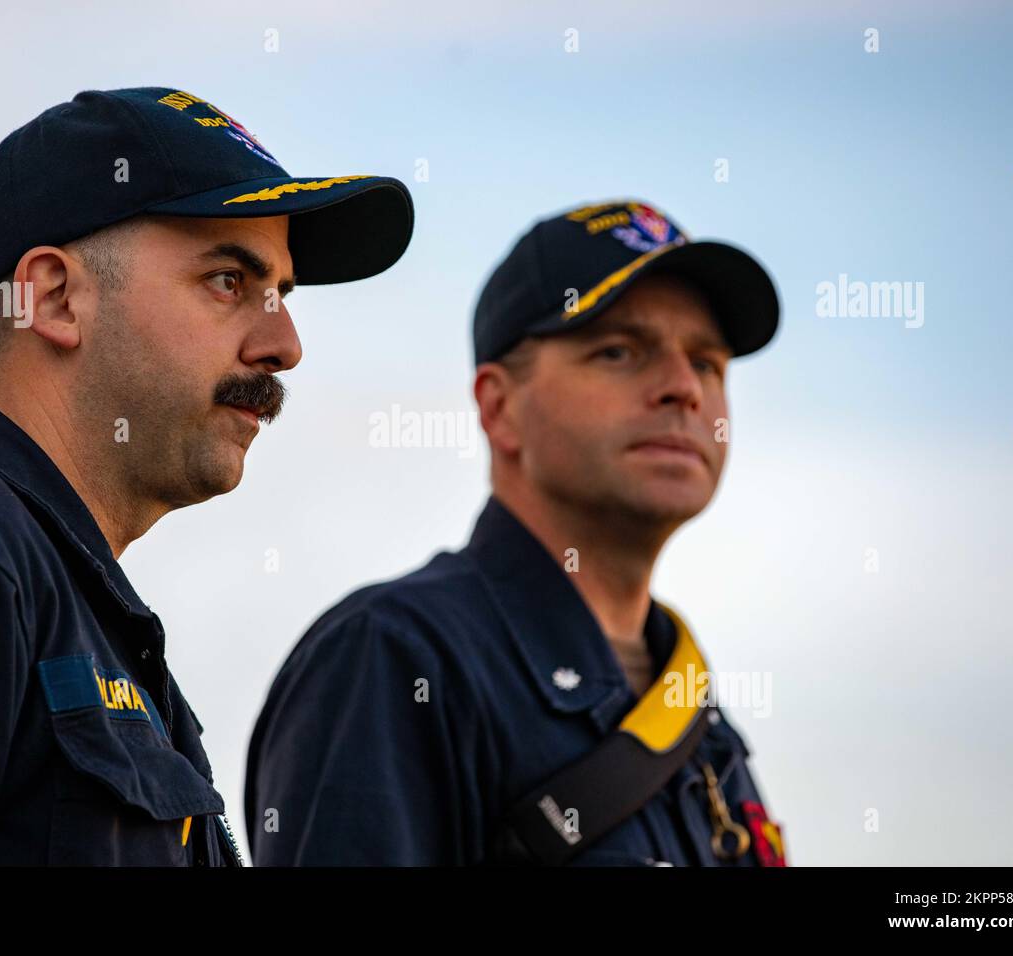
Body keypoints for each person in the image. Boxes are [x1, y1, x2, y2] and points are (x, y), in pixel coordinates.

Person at [0, 86, 413, 865]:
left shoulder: (41, 590)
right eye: (230, 281)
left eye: (280, 292)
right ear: (54, 297)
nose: (285, 345)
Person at [245, 199, 787, 866]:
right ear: (499, 407)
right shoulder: (394, 659)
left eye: (707, 362)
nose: (684, 388)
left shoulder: (696, 714)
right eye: (619, 351)